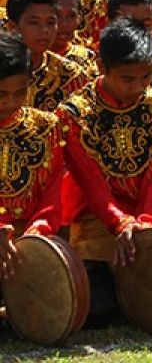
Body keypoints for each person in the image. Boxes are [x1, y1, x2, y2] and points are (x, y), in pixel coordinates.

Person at [57, 19, 152, 326]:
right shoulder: (75, 114)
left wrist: (143, 225)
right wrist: (120, 222)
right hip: (95, 222)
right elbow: (91, 183)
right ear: (102, 66)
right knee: (99, 309)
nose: (138, 87)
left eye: (146, 77)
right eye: (128, 79)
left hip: (149, 219)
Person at [0, 31, 65, 270]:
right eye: (1, 95)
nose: (10, 103)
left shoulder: (45, 127)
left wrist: (35, 234)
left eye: (19, 93)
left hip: (30, 239)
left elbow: (51, 196)